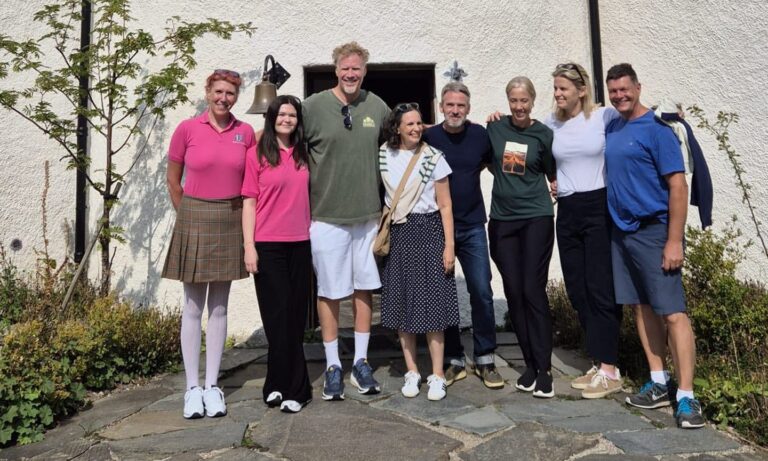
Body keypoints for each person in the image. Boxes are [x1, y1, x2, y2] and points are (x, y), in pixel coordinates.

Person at [604, 63, 705, 429]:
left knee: (673, 312)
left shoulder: (658, 130)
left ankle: (687, 397)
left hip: (655, 231)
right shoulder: (613, 126)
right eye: (614, 91)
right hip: (622, 233)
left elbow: (678, 186)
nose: (620, 96)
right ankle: (659, 382)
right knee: (640, 306)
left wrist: (674, 240)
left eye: (625, 89)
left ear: (638, 87)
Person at [162, 69, 255, 419]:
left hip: (231, 217)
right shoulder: (187, 129)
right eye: (218, 91)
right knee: (192, 306)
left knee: (219, 307)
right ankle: (192, 388)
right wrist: (188, 215)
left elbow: (251, 179)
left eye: (230, 93)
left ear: (236, 97)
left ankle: (213, 386)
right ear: (208, 92)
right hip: (195, 216)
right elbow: (173, 181)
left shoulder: (245, 132)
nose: (223, 98)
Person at [302, 42, 390, 401]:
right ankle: (333, 365)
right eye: (345, 68)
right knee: (330, 291)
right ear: (335, 70)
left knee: (363, 289)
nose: (351, 74)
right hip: (326, 216)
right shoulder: (312, 107)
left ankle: (361, 362)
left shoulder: (377, 105)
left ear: (364, 71)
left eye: (356, 69)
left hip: (367, 216)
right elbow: (284, 139)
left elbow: (405, 135)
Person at [543, 63, 624, 399]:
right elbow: (528, 139)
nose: (558, 94)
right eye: (555, 88)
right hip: (567, 209)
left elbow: (639, 119)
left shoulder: (603, 117)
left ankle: (610, 369)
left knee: (600, 287)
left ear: (582, 90)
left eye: (563, 88)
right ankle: (598, 359)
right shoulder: (551, 123)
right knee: (577, 289)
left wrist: (672, 115)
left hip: (598, 206)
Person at [423, 82, 502, 389]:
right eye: (450, 105)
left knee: (481, 291)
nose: (455, 110)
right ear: (441, 107)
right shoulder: (429, 136)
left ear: (468, 109)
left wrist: (501, 120)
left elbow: (497, 163)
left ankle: (485, 358)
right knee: (444, 294)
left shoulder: (481, 135)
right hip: (437, 227)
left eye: (461, 106)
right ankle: (454, 358)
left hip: (472, 226)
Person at [379, 103, 459, 401]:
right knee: (403, 303)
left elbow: (445, 205)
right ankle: (412, 371)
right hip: (399, 233)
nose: (415, 128)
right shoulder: (384, 155)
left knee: (432, 304)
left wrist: (449, 246)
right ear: (397, 127)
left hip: (429, 231)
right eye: (409, 124)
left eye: (419, 123)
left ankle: (437, 374)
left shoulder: (433, 157)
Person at [486, 77, 557, 398]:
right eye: (514, 100)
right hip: (502, 221)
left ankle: (545, 370)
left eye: (524, 101)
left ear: (532, 101)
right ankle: (529, 364)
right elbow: (484, 158)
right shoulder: (495, 128)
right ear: (508, 101)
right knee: (514, 292)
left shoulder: (543, 134)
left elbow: (552, 171)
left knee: (532, 289)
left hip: (536, 218)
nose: (519, 106)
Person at [241, 95, 312, 413]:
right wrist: (249, 246)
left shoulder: (304, 152)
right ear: (272, 118)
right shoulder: (256, 153)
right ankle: (295, 388)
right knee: (276, 315)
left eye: (292, 115)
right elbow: (249, 202)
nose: (287, 119)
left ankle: (279, 385)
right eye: (281, 114)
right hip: (267, 244)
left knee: (294, 317)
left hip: (301, 242)